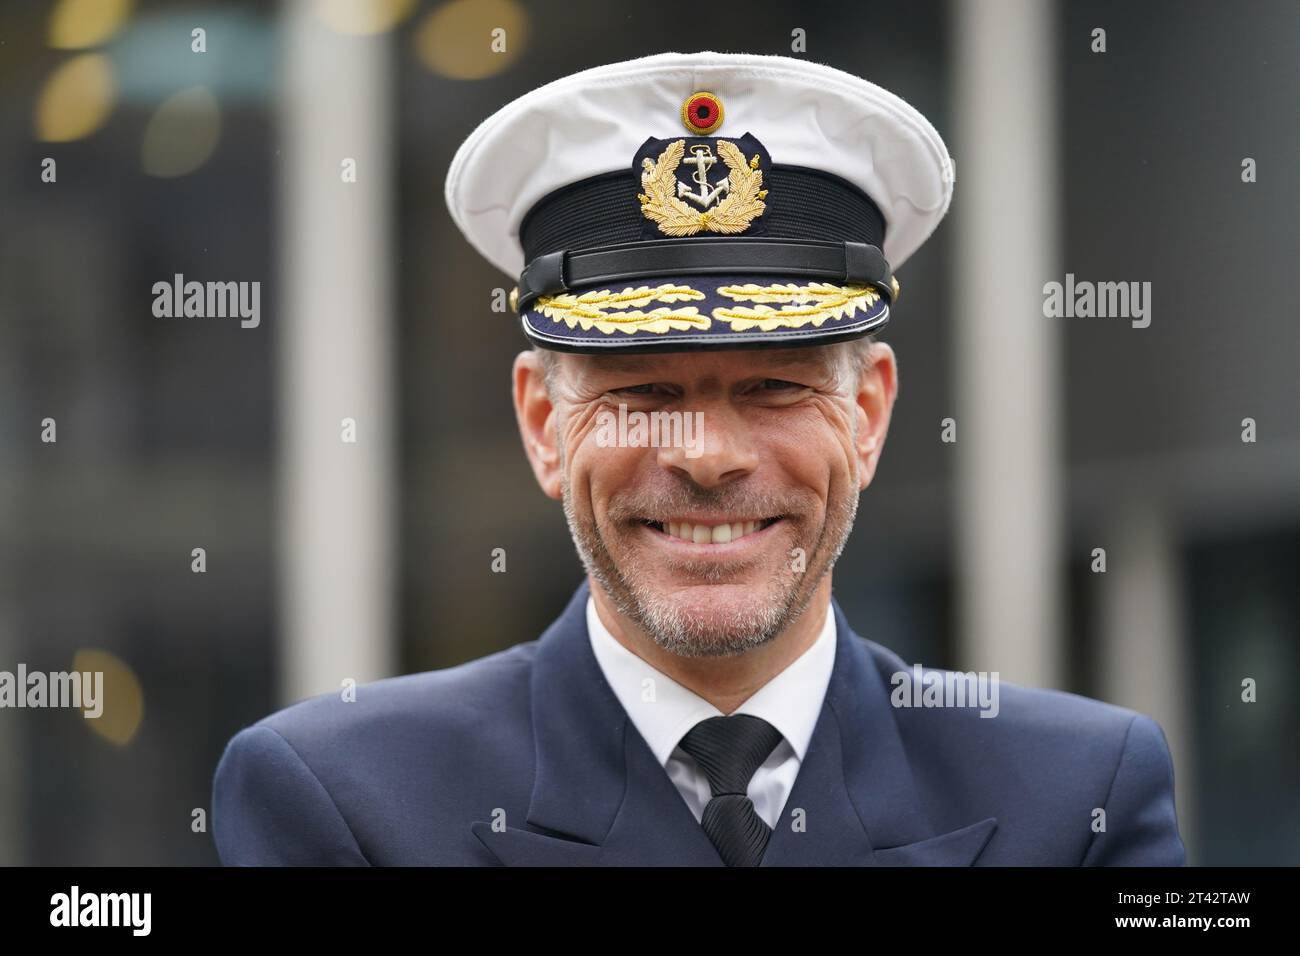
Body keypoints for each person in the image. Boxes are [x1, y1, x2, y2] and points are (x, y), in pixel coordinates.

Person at [212, 51, 1184, 866]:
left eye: (774, 387)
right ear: (545, 422)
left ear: (871, 412)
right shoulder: (342, 804)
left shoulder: (1080, 797)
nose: (708, 455)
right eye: (642, 393)